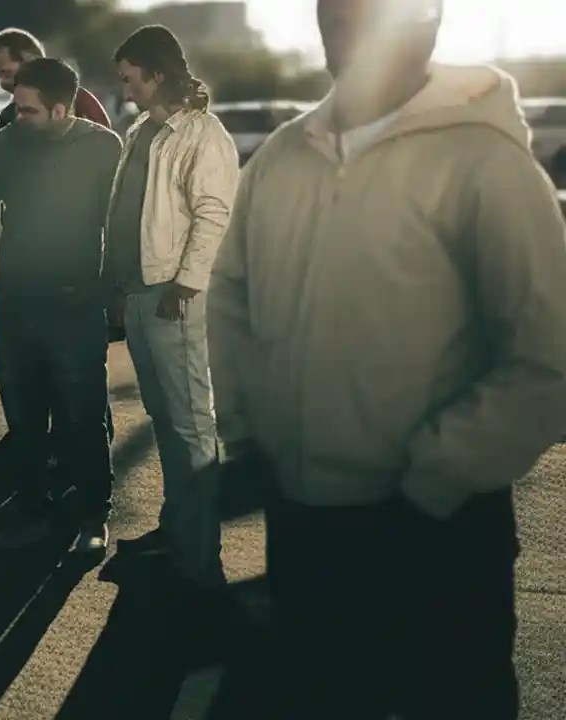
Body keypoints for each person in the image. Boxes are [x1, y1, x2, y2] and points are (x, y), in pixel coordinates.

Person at [207, 0, 566, 716]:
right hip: (306, 526)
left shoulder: (483, 162)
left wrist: (435, 479)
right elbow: (232, 297)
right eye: (335, 10)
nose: (349, 25)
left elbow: (548, 357)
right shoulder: (282, 155)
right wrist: (248, 435)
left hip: (440, 531)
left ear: (428, 21)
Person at [0, 58, 122, 553]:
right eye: (15, 107)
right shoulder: (12, 141)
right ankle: (31, 511)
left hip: (74, 306)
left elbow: (118, 229)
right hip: (15, 307)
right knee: (25, 420)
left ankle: (93, 516)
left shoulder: (102, 146)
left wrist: (110, 299)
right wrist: (5, 150)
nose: (18, 115)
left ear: (59, 109)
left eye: (27, 110)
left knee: (83, 417)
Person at [105, 25, 239, 594]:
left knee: (191, 429)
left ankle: (200, 557)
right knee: (166, 421)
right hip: (140, 295)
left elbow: (214, 213)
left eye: (131, 77)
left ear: (157, 74)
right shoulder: (143, 130)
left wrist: (185, 284)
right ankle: (176, 530)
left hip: (171, 296)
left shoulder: (203, 135)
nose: (126, 88)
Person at [0, 27, 115, 468]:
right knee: (19, 376)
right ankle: (31, 458)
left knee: (79, 393)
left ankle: (84, 486)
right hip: (18, 279)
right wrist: (5, 148)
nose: (5, 86)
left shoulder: (91, 130)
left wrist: (115, 287)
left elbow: (114, 212)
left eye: (8, 72)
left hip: (73, 286)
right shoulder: (14, 129)